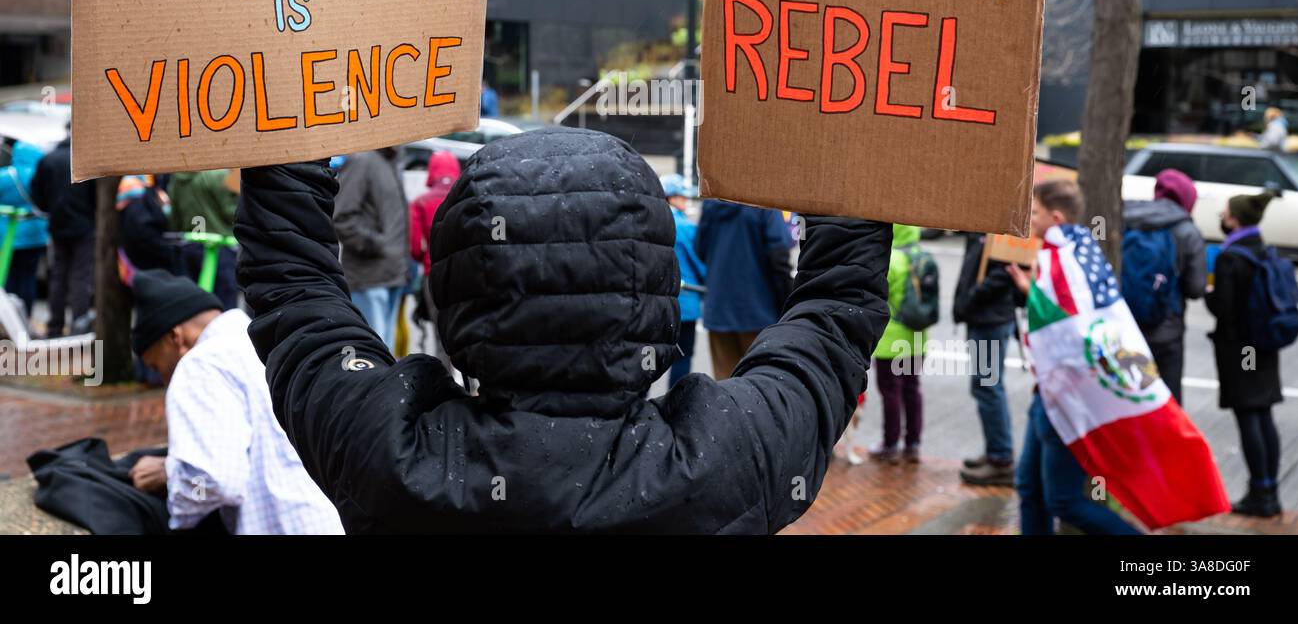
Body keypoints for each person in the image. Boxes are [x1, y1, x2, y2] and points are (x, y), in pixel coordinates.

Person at [233, 128, 892, 533]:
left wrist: (291, 121)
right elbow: (835, 311)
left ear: (457, 293)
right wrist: (841, 140)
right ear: (658, 291)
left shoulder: (390, 459)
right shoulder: (729, 461)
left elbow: (294, 289)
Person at [126, 269, 343, 534]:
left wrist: (173, 482)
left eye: (156, 366)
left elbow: (214, 480)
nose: (162, 379)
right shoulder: (262, 339)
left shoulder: (199, 365)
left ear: (175, 337)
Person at [1008, 180, 1141, 535]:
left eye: (1034, 213)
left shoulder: (1063, 259)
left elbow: (1077, 325)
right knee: (1029, 487)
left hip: (1067, 395)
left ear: (1055, 216)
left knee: (1063, 500)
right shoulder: (1078, 250)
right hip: (1049, 393)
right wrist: (1031, 291)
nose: (1029, 219)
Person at [1208, 189, 1284, 518]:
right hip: (1264, 347)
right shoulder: (1265, 251)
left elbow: (1223, 309)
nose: (1222, 218)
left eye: (1225, 214)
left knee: (1248, 416)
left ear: (1235, 219)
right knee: (1263, 414)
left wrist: (1210, 292)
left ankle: (1259, 493)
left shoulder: (1231, 257)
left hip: (1239, 350)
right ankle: (1270, 491)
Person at [1121, 168, 1207, 405]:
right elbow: (1196, 288)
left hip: (1127, 327)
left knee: (1130, 400)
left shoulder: (1128, 219)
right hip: (1166, 332)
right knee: (1167, 403)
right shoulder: (1187, 231)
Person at [695, 198, 795, 380]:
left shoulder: (711, 206)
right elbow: (778, 257)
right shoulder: (764, 204)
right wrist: (787, 303)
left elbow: (700, 249)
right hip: (759, 312)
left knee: (725, 385)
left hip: (718, 310)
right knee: (761, 384)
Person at [954, 231, 1024, 485]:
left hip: (990, 319)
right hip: (985, 318)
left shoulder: (1001, 230)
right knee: (986, 386)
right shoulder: (982, 229)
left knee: (988, 387)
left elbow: (1004, 273)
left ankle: (1001, 458)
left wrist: (970, 300)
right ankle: (997, 451)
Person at [333, 147, 408, 351]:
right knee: (374, 354)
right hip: (369, 277)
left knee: (386, 355)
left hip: (392, 274)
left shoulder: (391, 160)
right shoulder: (361, 160)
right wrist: (376, 245)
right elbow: (342, 218)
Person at [869, 224, 927, 464]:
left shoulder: (890, 260)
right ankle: (913, 444)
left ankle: (890, 444)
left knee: (891, 391)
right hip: (917, 337)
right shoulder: (924, 258)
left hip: (891, 340)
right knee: (912, 388)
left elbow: (878, 297)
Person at [29, 134, 96, 338]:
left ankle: (54, 326)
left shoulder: (48, 159)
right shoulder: (87, 160)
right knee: (80, 277)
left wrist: (51, 210)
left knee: (58, 275)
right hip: (84, 227)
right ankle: (79, 326)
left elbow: (36, 193)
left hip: (57, 225)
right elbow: (97, 196)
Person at [170, 169, 240, 308]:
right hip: (218, 249)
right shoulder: (218, 174)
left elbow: (175, 216)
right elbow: (230, 212)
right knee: (223, 305)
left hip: (189, 246)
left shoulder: (177, 178)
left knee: (195, 305)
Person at [660, 174, 706, 386]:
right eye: (682, 197)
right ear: (671, 198)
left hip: (657, 303)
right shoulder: (687, 228)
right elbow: (700, 263)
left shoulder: (653, 224)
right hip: (685, 302)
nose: (686, 200)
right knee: (682, 356)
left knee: (650, 357)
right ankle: (674, 404)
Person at [0, 140, 49, 317]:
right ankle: (26, 315)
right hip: (35, 236)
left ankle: (8, 317)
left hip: (8, 236)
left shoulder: (6, 176)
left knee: (8, 277)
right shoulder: (40, 176)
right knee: (29, 278)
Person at [116, 175, 180, 275]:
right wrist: (169, 251)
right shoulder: (136, 189)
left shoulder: (147, 185)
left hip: (144, 261)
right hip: (147, 263)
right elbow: (141, 230)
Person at [409, 151, 460, 274]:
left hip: (433, 268)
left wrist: (425, 258)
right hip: (464, 270)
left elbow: (415, 246)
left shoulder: (420, 202)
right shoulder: (467, 197)